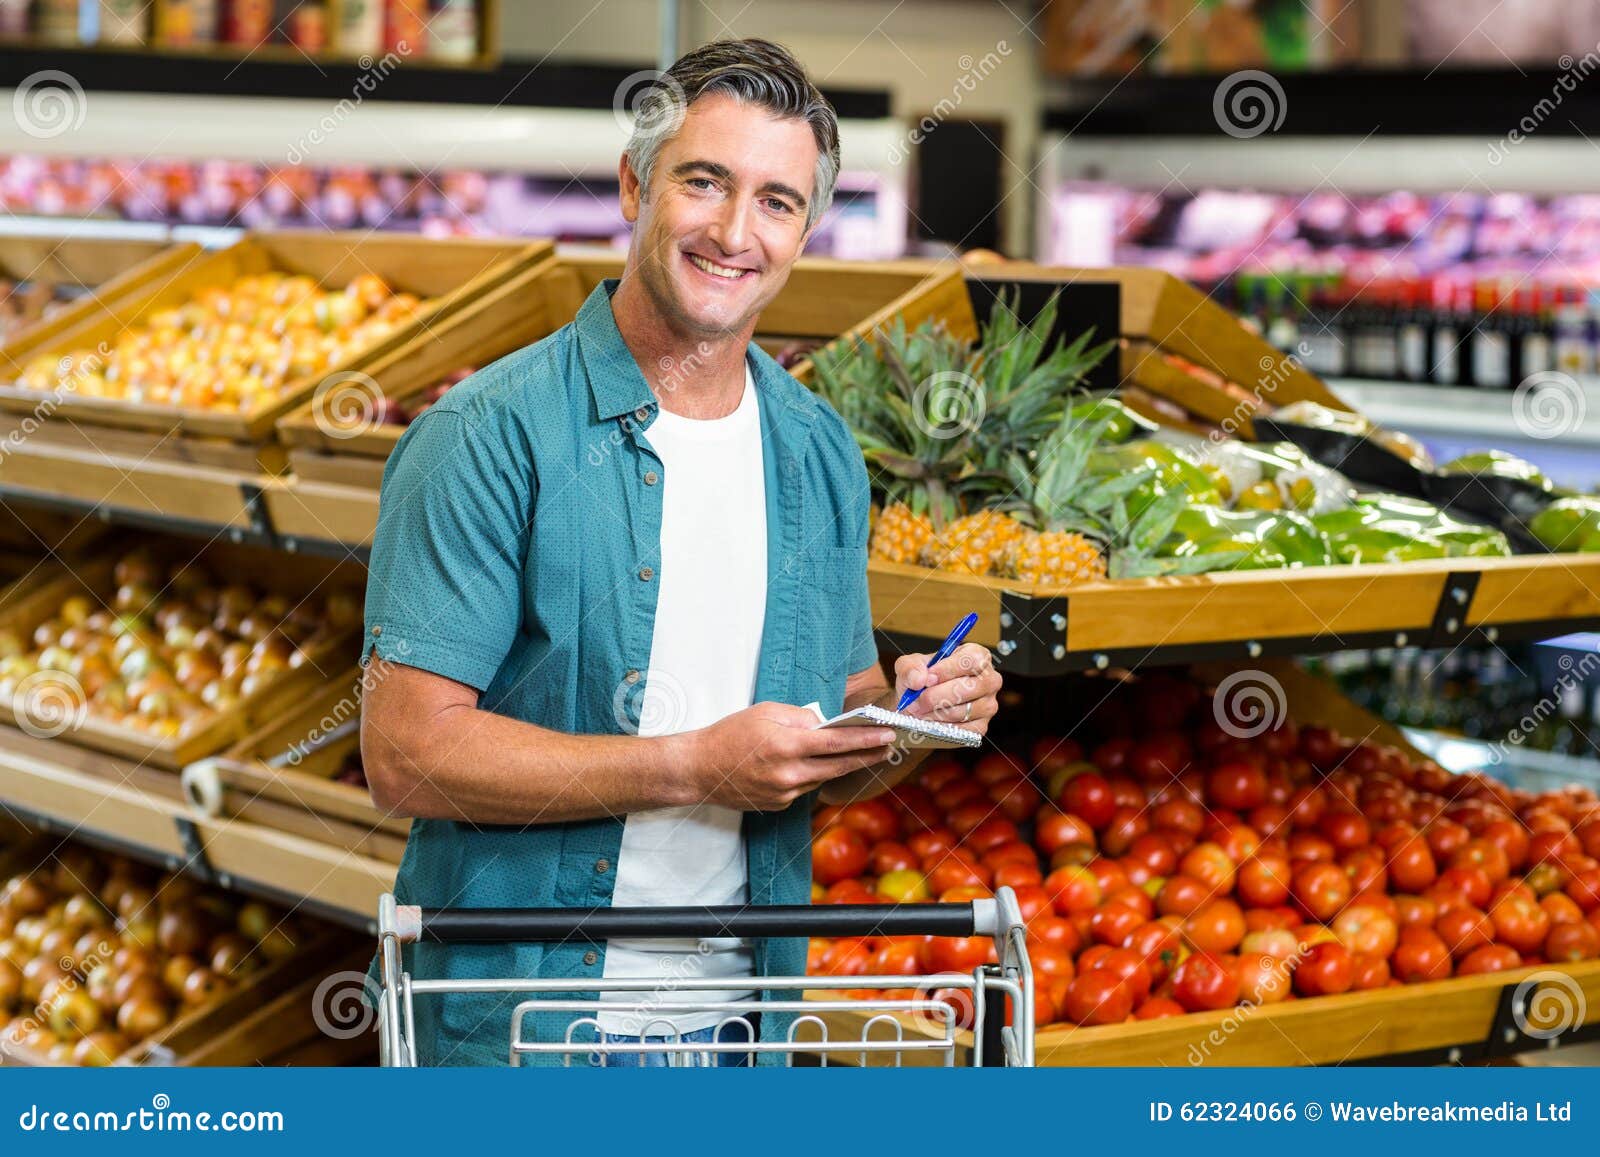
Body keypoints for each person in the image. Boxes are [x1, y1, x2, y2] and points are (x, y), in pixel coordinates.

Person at [359, 37, 1002, 1068]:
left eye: (776, 201)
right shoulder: (488, 432)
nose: (734, 232)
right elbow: (403, 752)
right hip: (527, 1026)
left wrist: (902, 722)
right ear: (633, 187)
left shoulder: (819, 449)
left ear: (805, 230)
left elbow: (826, 731)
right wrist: (694, 764)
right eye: (704, 183)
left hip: (744, 1022)